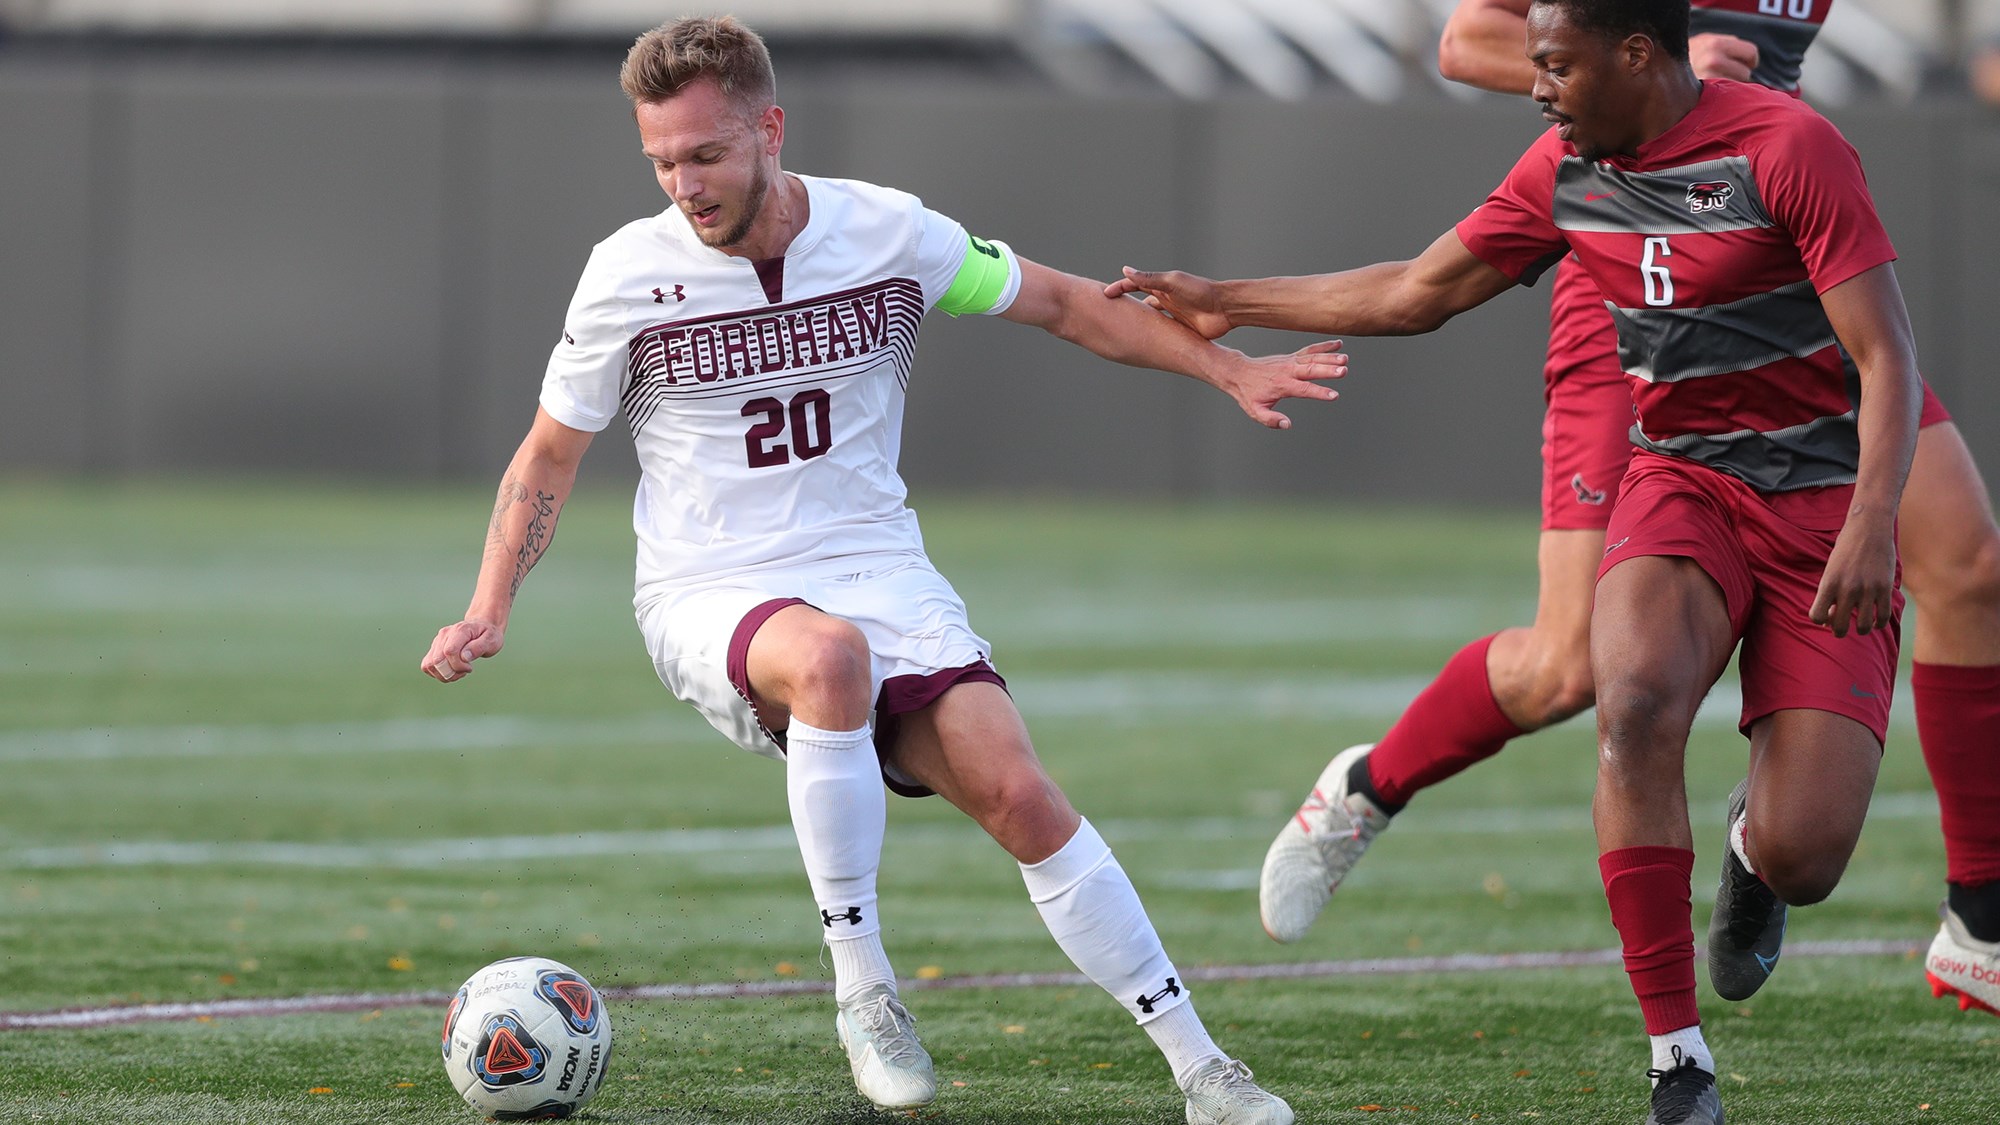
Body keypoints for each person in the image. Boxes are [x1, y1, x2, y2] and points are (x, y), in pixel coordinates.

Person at [418, 16, 1339, 1123]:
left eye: (704, 154)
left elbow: (1061, 304)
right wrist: (488, 608)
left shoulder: (885, 231)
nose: (684, 185)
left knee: (1021, 796)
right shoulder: (626, 274)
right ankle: (864, 989)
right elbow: (547, 455)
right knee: (830, 657)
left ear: (769, 128)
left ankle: (1203, 1072)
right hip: (711, 586)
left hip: (872, 563)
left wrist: (1221, 366)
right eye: (661, 161)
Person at [1109, 0, 1925, 1119]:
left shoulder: (1784, 146)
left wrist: (1875, 518)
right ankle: (1675, 1056)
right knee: (1623, 693)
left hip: (1818, 501)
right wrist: (1223, 301)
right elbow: (1416, 290)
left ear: (1635, 54)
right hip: (1681, 480)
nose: (1534, 87)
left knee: (1804, 858)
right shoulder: (1563, 164)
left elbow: (1884, 353)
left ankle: (1752, 848)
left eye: (1553, 66)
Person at [1252, 0, 2000, 1020]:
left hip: (1762, 257)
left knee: (1966, 561)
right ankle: (1370, 785)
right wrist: (1665, 71)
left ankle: (1975, 919)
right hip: (1632, 270)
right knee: (1570, 668)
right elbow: (1468, 39)